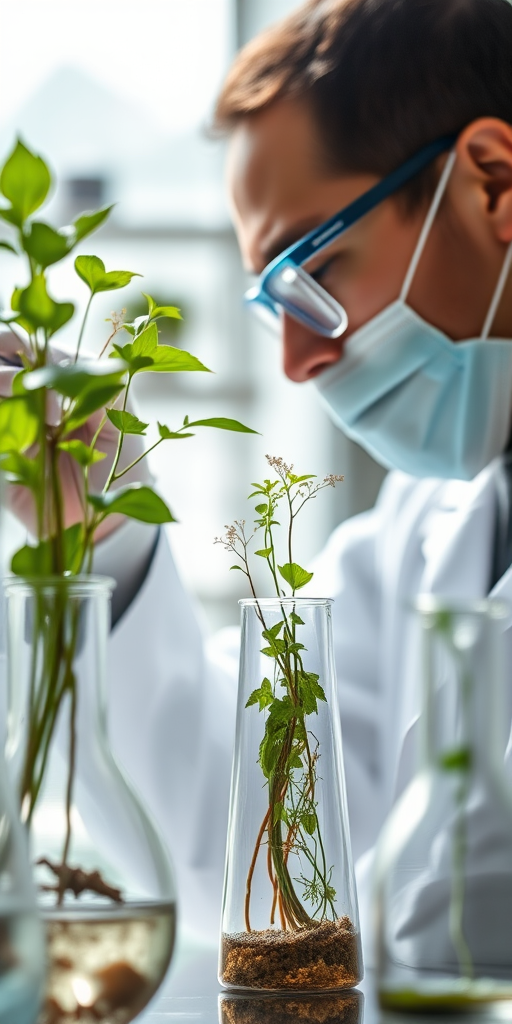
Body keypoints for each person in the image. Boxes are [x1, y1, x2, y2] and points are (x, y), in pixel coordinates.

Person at [2, 0, 512, 961]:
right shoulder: (426, 531)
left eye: (314, 267)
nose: (295, 360)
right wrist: (96, 525)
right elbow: (234, 843)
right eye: (273, 299)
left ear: (493, 183)